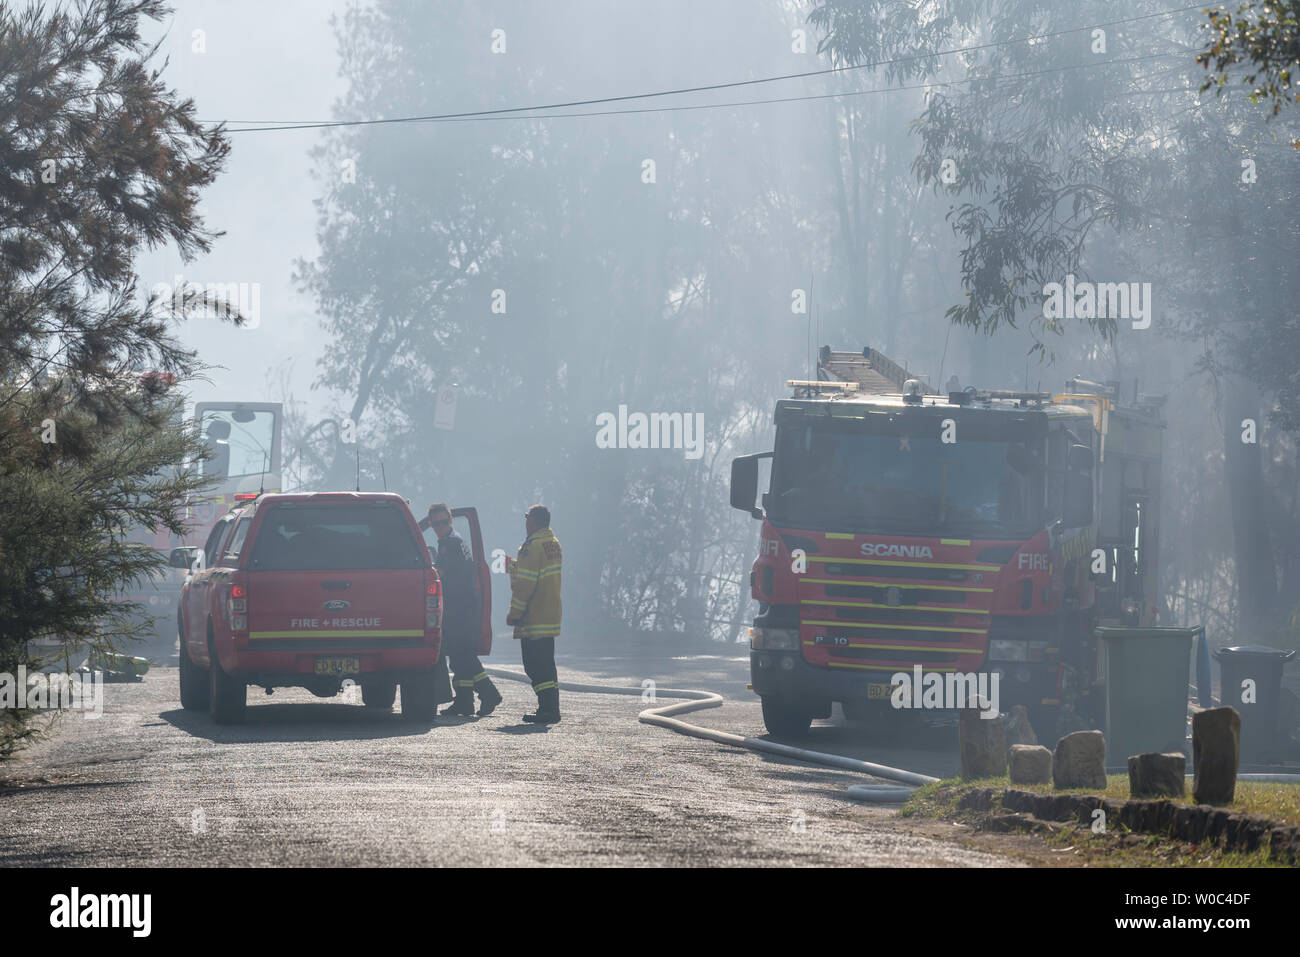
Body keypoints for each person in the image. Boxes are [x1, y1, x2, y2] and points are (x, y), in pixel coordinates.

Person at [426, 503, 502, 717]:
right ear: (431, 524)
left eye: (443, 522)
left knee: (463, 655)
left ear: (450, 521)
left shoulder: (450, 544)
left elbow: (439, 573)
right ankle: (464, 702)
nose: (439, 526)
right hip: (461, 607)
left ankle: (488, 692)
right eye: (435, 523)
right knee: (460, 657)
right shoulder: (453, 541)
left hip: (460, 609)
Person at [507, 504, 562, 723]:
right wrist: (513, 565)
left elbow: (526, 584)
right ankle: (550, 708)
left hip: (535, 616)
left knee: (534, 665)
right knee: (547, 664)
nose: (525, 521)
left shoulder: (532, 547)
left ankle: (547, 709)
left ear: (534, 521)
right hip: (549, 615)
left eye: (527, 517)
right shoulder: (553, 543)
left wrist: (515, 613)